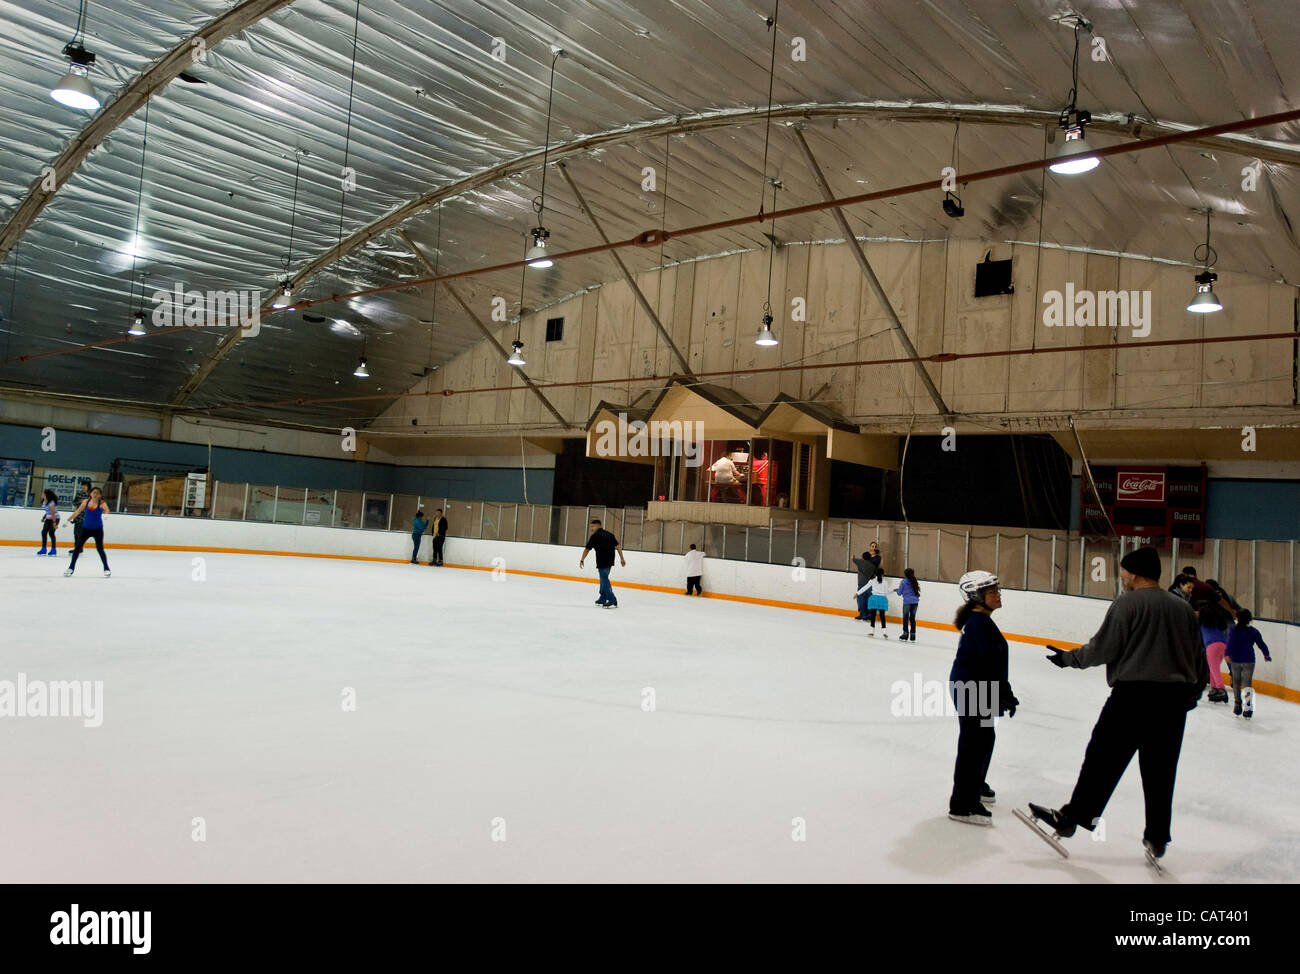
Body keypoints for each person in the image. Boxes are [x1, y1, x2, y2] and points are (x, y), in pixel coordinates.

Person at [1031, 546, 1209, 864]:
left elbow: (1103, 649)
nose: (1122, 576)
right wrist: (1189, 697)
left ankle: (1071, 820)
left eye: (1124, 571)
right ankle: (1157, 837)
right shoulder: (1182, 608)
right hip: (1172, 703)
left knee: (1102, 760)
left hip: (1132, 697)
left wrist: (1068, 658)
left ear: (1135, 573)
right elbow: (1199, 660)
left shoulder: (1127, 604)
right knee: (1161, 771)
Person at [948, 570, 1015, 826]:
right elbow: (989, 664)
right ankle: (962, 804)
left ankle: (975, 783)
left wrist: (1002, 693)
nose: (998, 595)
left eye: (997, 590)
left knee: (985, 738)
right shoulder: (978, 624)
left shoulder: (981, 620)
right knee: (972, 744)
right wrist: (1004, 693)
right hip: (972, 690)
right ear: (977, 596)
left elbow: (993, 664)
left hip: (981, 690)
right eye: (992, 591)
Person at [1225, 610, 1271, 719]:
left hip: (1235, 660)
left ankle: (1237, 704)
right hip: (1249, 660)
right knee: (1247, 684)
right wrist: (1266, 655)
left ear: (1238, 618)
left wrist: (1227, 654)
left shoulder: (1233, 630)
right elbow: (1261, 644)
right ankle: (1248, 708)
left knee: (1236, 682)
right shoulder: (1254, 631)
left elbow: (1230, 643)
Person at [61, 485, 111, 577]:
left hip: (97, 530)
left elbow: (107, 510)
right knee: (77, 549)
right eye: (94, 492)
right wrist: (68, 520)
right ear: (90, 493)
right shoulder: (85, 502)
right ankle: (71, 568)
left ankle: (106, 568)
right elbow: (77, 512)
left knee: (100, 549)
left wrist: (106, 515)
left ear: (100, 495)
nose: (95, 494)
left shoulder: (102, 503)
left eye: (97, 493)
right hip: (85, 529)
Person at [580, 519, 625, 608]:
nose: (592, 528)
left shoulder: (595, 536)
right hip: (610, 560)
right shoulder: (610, 534)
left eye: (593, 526)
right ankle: (603, 597)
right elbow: (618, 546)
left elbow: (587, 549)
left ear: (599, 525)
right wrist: (622, 558)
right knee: (603, 578)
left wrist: (582, 559)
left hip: (602, 561)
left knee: (604, 579)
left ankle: (612, 599)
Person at [1199, 605, 1231, 704]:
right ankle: (1215, 688)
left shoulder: (1204, 624)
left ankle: (1221, 689)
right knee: (1213, 668)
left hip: (1212, 647)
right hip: (1223, 645)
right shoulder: (1218, 623)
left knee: (1214, 669)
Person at [851, 543, 882, 621]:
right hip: (869, 583)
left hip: (866, 583)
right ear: (870, 547)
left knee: (865, 599)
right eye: (872, 546)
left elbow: (853, 559)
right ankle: (866, 615)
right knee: (865, 599)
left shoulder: (876, 558)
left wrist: (853, 557)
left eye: (875, 547)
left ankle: (867, 615)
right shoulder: (873, 565)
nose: (873, 548)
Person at [861, 569, 890, 636]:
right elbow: (886, 592)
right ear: (883, 574)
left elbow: (865, 587)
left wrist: (857, 593)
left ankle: (872, 631)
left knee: (873, 615)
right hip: (882, 599)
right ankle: (884, 632)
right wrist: (893, 591)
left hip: (874, 599)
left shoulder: (872, 580)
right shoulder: (885, 582)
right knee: (882, 616)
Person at [894, 568, 920, 641]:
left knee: (905, 618)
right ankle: (913, 635)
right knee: (912, 618)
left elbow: (899, 593)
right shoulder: (914, 581)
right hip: (915, 602)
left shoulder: (903, 582)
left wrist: (897, 590)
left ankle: (905, 634)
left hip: (907, 602)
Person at [38, 488, 60, 556]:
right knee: (44, 532)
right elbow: (47, 512)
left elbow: (53, 513)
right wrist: (44, 517)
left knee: (51, 533)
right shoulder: (44, 502)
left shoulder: (51, 502)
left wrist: (54, 524)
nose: (42, 494)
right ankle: (43, 549)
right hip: (48, 518)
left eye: (43, 494)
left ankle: (53, 550)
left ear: (46, 495)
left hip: (55, 518)